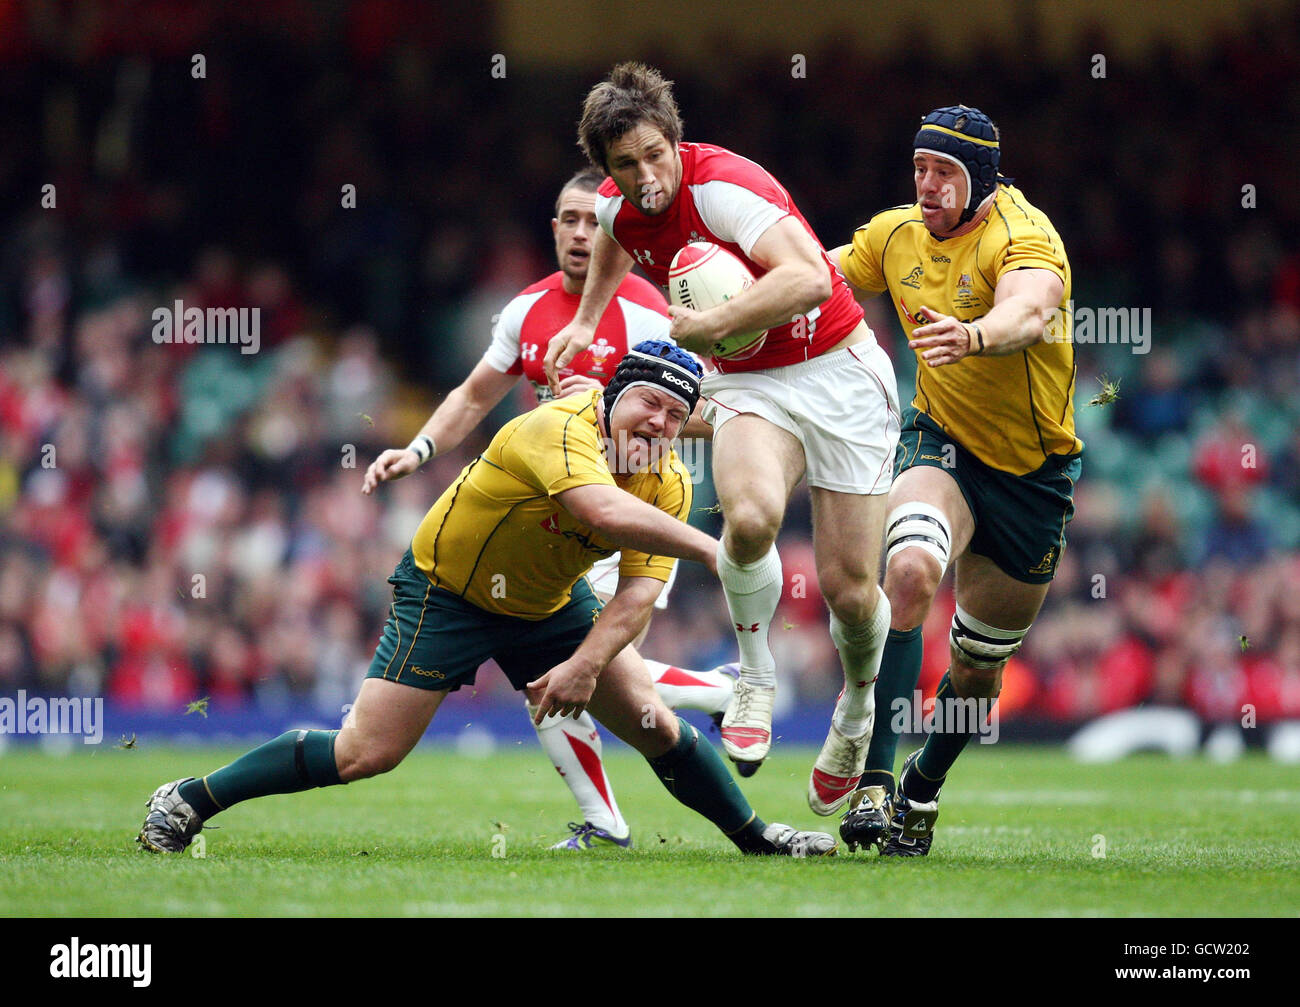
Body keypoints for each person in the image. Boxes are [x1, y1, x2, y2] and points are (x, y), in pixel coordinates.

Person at [137, 342, 837, 859]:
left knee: (653, 722)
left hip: (548, 606)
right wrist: (717, 551)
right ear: (612, 396)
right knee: (365, 753)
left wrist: (585, 665)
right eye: (648, 402)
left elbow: (638, 596)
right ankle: (190, 798)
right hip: (447, 594)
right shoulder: (559, 426)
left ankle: (756, 838)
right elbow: (597, 509)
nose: (659, 422)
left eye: (675, 414)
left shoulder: (669, 481)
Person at [544, 63, 900, 813]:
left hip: (839, 369)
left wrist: (710, 326)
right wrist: (585, 319)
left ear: (675, 141)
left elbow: (811, 278)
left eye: (655, 155)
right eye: (625, 165)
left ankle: (859, 705)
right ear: (606, 168)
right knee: (750, 516)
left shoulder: (725, 188)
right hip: (750, 382)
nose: (645, 178)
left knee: (849, 591)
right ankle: (756, 677)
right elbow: (614, 235)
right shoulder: (615, 204)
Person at [362, 168, 739, 851]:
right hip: (554, 507)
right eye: (570, 219)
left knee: (581, 667)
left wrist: (611, 403)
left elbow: (713, 415)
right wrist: (418, 449)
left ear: (617, 233)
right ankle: (712, 697)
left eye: (596, 221)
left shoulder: (651, 314)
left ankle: (617, 809)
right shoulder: (524, 310)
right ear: (554, 226)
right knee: (572, 672)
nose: (581, 233)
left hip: (625, 506)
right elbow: (473, 396)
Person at [831, 105, 1081, 856]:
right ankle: (874, 780)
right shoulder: (895, 235)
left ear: (982, 179)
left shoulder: (1025, 235)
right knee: (909, 570)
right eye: (920, 168)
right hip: (941, 444)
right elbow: (814, 276)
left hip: (1033, 478)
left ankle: (921, 785)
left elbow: (1029, 312)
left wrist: (974, 334)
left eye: (945, 171)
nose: (928, 184)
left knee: (976, 672)